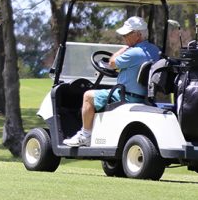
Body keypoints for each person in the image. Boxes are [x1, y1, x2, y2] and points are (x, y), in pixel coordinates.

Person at [63, 16, 161, 147]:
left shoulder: (133, 53)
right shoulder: (154, 50)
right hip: (144, 96)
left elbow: (112, 62)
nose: (124, 37)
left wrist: (125, 47)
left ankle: (85, 135)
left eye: (127, 34)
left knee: (88, 96)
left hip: (126, 96)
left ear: (138, 35)